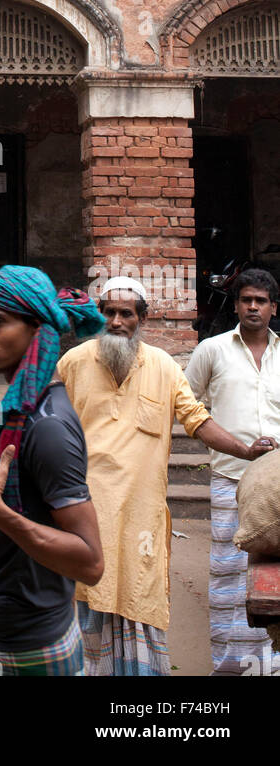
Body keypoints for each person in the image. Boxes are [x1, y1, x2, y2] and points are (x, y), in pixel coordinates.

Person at [58, 276, 274, 677]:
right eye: (110, 313)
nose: (118, 321)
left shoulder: (163, 366)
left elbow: (198, 420)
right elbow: (51, 427)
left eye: (127, 313)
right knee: (89, 597)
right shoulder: (73, 363)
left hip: (142, 515)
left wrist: (245, 451)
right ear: (100, 316)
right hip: (88, 509)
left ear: (142, 318)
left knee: (140, 595)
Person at [0, 265, 105, 677]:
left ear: (37, 328)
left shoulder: (47, 427)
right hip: (1, 641)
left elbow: (90, 562)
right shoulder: (20, 410)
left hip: (29, 650)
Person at [185, 268, 280, 676]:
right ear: (236, 304)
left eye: (261, 301)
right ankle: (228, 665)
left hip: (277, 485)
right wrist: (229, 443)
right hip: (230, 477)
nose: (253, 307)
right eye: (246, 300)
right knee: (229, 569)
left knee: (273, 571)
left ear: (274, 308)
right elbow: (187, 404)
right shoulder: (212, 350)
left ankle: (270, 665)